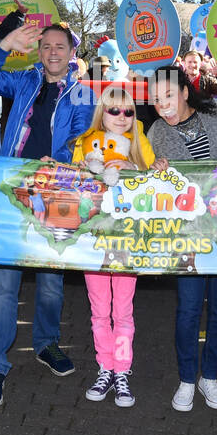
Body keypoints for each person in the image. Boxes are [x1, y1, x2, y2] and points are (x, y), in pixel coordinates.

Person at [0, 17, 96, 407]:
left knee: (50, 285)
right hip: (13, 194)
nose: (53, 52)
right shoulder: (24, 80)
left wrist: (56, 162)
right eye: (46, 46)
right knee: (4, 288)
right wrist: (5, 44)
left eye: (60, 46)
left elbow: (79, 142)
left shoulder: (83, 94)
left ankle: (46, 344)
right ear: (39, 51)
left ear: (72, 52)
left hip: (58, 195)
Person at [147, 67, 217, 412]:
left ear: (184, 91)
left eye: (167, 94)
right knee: (188, 310)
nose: (162, 104)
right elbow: (146, 184)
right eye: (154, 98)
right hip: (188, 235)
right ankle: (185, 378)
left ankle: (209, 376)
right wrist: (154, 171)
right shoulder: (154, 133)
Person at [71, 84, 164, 408]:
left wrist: (142, 170)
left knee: (123, 313)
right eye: (114, 110)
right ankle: (105, 368)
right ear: (102, 113)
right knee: (99, 313)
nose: (122, 117)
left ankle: (122, 370)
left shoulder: (141, 143)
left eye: (128, 111)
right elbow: (74, 186)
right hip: (94, 241)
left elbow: (156, 185)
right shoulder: (85, 144)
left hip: (128, 241)